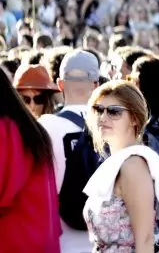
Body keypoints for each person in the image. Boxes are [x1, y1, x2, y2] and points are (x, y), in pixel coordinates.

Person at [83, 80, 159, 253]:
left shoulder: (133, 165)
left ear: (134, 118)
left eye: (114, 112)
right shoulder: (118, 162)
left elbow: (145, 240)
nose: (103, 117)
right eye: (99, 110)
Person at [39, 49, 102, 253]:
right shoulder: (116, 124)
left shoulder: (45, 126)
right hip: (109, 239)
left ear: (59, 85)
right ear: (96, 85)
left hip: (62, 238)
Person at [0, 59, 61, 253]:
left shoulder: (6, 129)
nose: (33, 105)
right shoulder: (28, 128)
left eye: (40, 98)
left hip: (15, 239)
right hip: (39, 240)